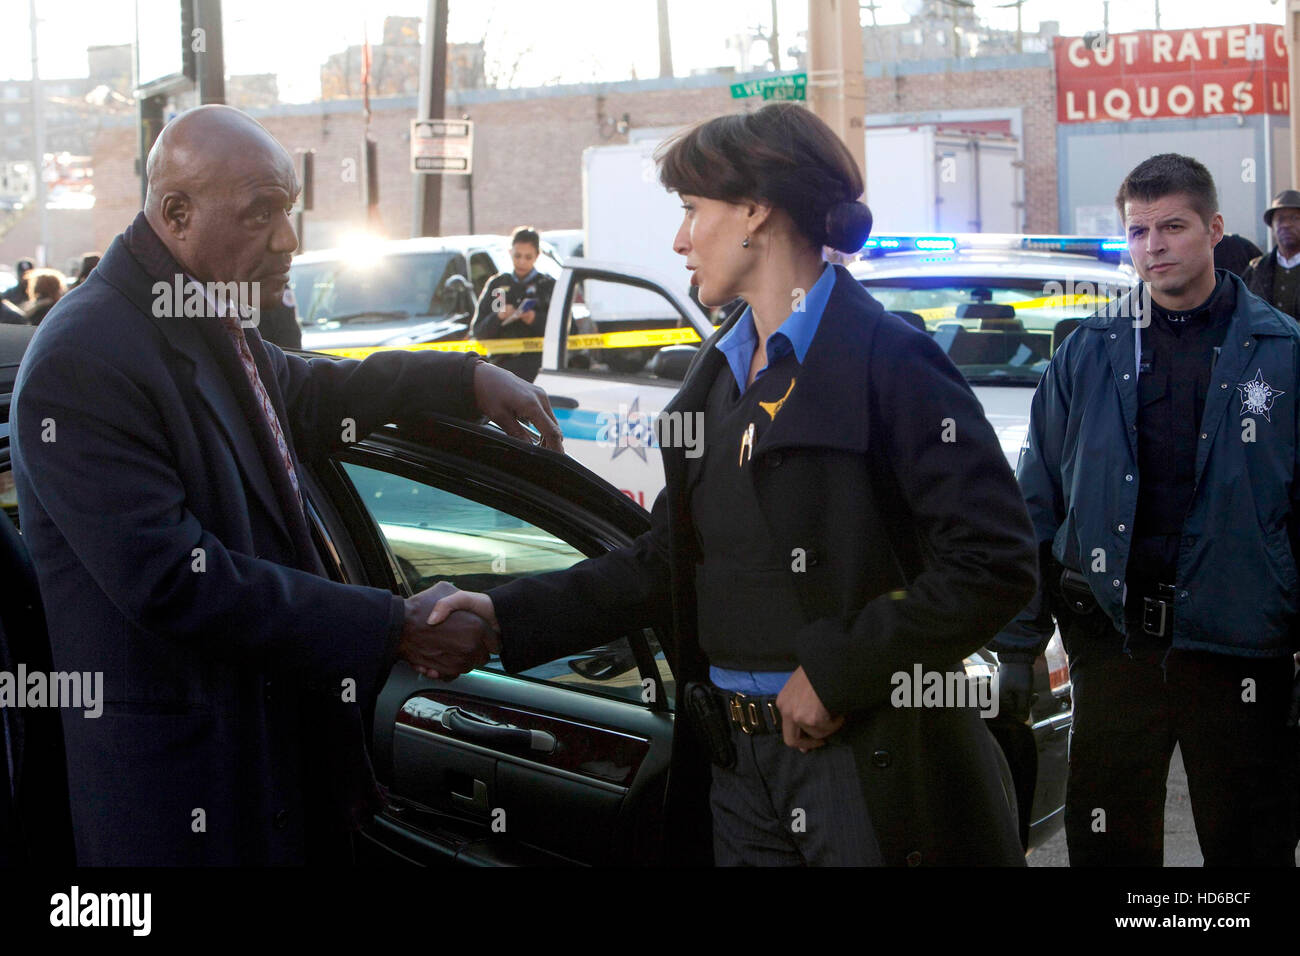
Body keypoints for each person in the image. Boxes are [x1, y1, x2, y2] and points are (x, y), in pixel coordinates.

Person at [428, 102, 1038, 866]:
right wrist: (498, 613)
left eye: (691, 210)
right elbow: (666, 560)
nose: (680, 239)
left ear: (755, 209)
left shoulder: (890, 359)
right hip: (733, 767)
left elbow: (995, 561)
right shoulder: (715, 370)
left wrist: (842, 670)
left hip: (863, 765)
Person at [10, 104, 562, 865]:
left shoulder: (197, 312)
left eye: (290, 210)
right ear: (176, 213)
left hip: (264, 781)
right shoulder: (86, 357)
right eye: (260, 213)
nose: (288, 240)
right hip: (188, 803)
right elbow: (173, 580)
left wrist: (465, 375)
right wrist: (391, 624)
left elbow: (309, 394)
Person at [992, 153, 1300, 866]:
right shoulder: (1088, 354)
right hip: (1115, 642)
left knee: (1250, 844)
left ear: (1214, 229)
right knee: (1109, 842)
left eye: (1172, 227)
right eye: (1138, 231)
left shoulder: (1281, 355)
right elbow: (1036, 502)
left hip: (1239, 645)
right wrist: (1017, 641)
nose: (1153, 247)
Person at [471, 226, 555, 383]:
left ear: (537, 256)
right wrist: (498, 317)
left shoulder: (547, 286)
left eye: (528, 257)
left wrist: (534, 319)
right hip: (501, 369)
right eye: (517, 256)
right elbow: (479, 331)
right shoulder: (499, 286)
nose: (522, 262)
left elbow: (568, 331)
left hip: (538, 371)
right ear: (510, 253)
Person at [1243, 190, 1300, 319]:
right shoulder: (1256, 270)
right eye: (1280, 219)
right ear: (1272, 227)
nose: (1286, 225)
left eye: (1295, 218)